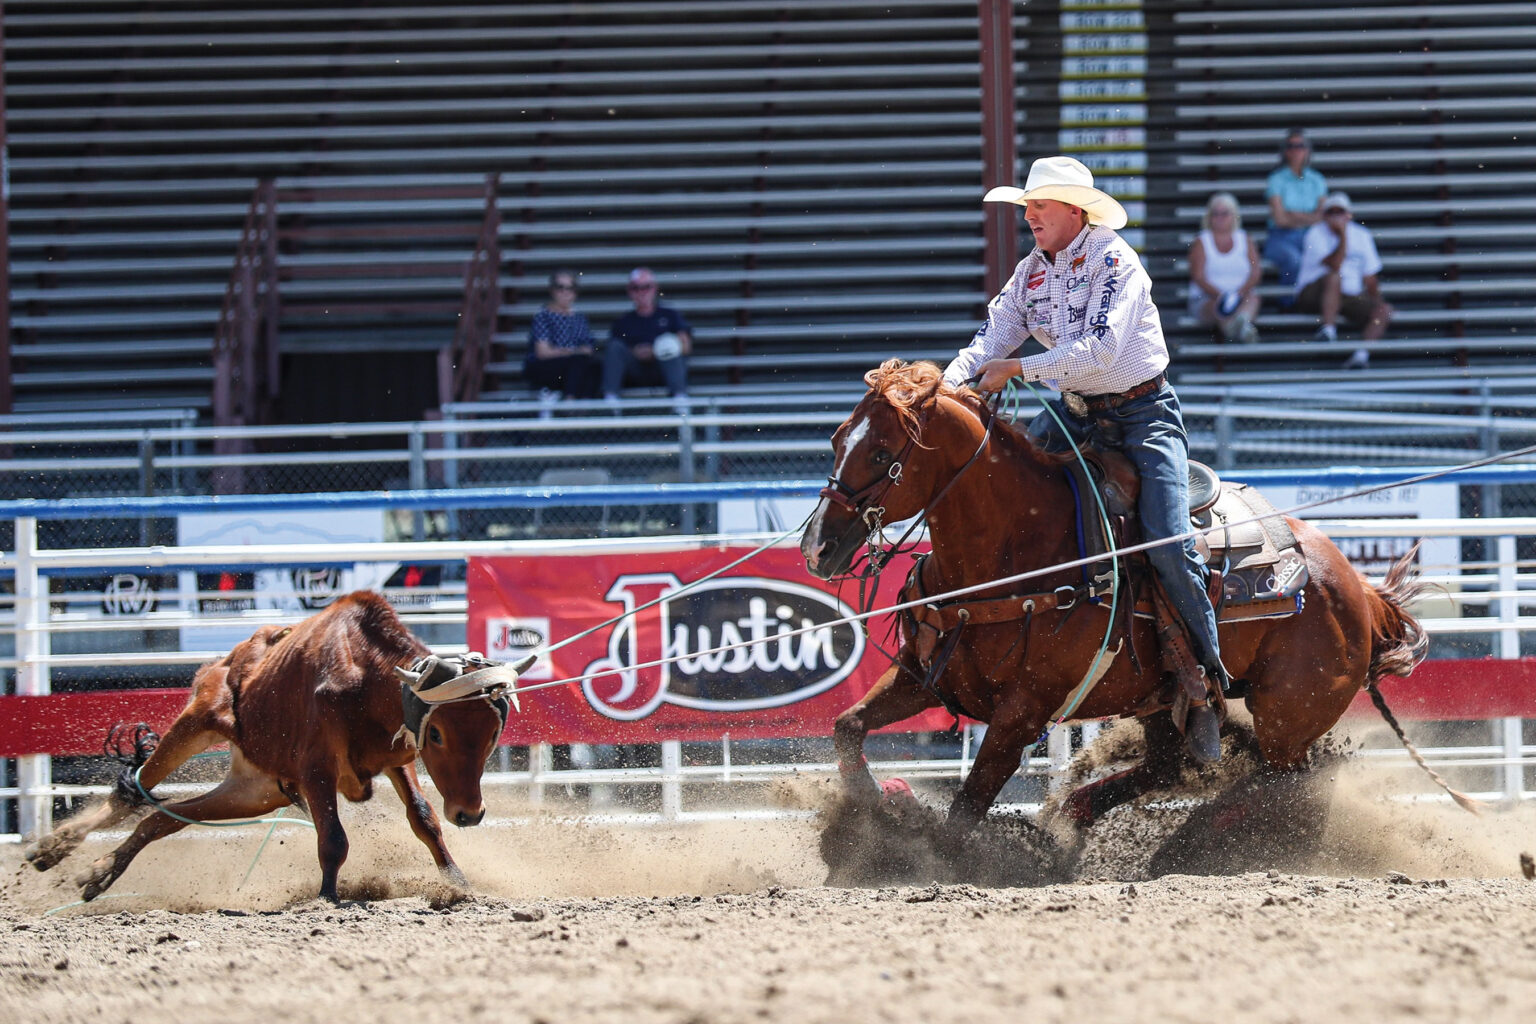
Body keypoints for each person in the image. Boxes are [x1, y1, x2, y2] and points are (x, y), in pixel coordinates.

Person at [942, 155, 1227, 764]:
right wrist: (940, 393)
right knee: (1011, 503)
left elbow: (1099, 352)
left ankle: (1206, 686)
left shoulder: (1116, 262)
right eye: (1026, 206)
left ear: (1074, 209)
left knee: (1169, 541)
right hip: (1076, 413)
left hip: (1142, 416)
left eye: (1038, 205)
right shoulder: (1031, 272)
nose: (1029, 215)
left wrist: (1019, 369)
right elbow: (989, 340)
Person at [1294, 191, 1394, 370]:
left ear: (1349, 215)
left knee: (1384, 310)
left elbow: (1370, 277)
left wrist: (1376, 302)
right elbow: (1334, 264)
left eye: (1340, 212)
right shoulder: (1314, 234)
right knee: (1334, 278)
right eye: (1331, 212)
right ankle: (1328, 329)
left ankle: (1361, 355)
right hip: (1314, 292)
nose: (1336, 216)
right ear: (1324, 215)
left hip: (1349, 295)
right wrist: (1343, 236)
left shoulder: (1362, 235)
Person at [603, 267, 691, 403]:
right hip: (634, 373)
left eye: (646, 287)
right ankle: (610, 401)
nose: (642, 292)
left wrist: (657, 349)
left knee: (670, 346)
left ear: (655, 288)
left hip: (663, 370)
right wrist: (635, 352)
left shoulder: (670, 315)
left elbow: (686, 346)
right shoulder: (623, 322)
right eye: (636, 288)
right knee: (615, 347)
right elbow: (615, 353)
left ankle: (680, 402)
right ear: (629, 291)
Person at [1188, 192, 1262, 344]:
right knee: (1218, 307)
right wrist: (1223, 296)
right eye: (1215, 214)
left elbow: (1256, 273)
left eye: (1225, 213)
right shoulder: (1201, 240)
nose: (1220, 218)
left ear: (1234, 215)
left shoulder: (1244, 238)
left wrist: (1238, 294)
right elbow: (1198, 277)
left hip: (1241, 295)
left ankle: (1240, 324)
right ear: (1209, 217)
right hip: (1209, 298)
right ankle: (1239, 328)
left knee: (1253, 298)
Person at [523, 269, 601, 407]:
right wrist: (571, 352)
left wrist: (572, 353)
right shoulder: (543, 316)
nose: (565, 292)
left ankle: (585, 406)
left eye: (570, 288)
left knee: (593, 365)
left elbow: (588, 348)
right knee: (577, 362)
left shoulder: (579, 318)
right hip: (546, 367)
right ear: (552, 290)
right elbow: (543, 352)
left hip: (573, 367)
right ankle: (569, 402)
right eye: (560, 288)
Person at [1262, 129, 1328, 289]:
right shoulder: (1276, 179)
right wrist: (1309, 218)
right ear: (1285, 151)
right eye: (1291, 146)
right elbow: (1279, 219)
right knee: (1294, 260)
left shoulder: (1317, 179)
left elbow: (1323, 217)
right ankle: (1288, 305)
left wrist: (1293, 214)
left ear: (1307, 150)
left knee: (1325, 260)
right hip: (1281, 237)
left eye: (1300, 146)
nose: (1295, 150)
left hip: (1311, 236)